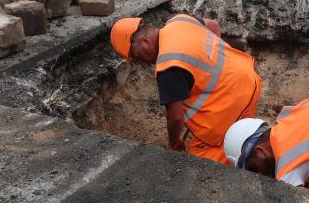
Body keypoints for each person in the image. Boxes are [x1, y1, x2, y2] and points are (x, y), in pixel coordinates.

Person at [109, 14, 263, 164]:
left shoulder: (168, 65)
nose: (141, 61)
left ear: (144, 41)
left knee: (200, 164)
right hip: (249, 78)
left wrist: (174, 143)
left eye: (137, 56)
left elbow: (175, 117)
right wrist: (210, 56)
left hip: (233, 101)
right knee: (243, 138)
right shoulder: (179, 21)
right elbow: (214, 26)